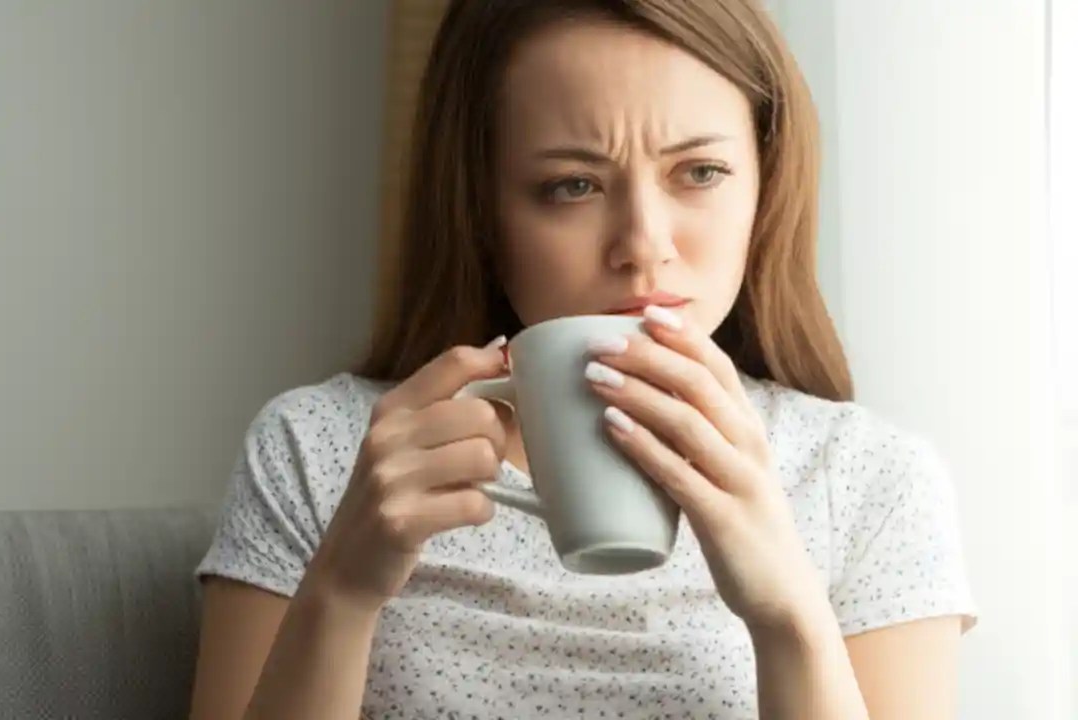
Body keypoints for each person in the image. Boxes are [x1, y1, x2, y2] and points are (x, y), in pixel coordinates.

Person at [188, 1, 978, 717]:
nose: (643, 247)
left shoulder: (870, 478)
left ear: (766, 191)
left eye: (699, 173)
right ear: (483, 213)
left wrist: (788, 616)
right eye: (572, 186)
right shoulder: (318, 451)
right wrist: (343, 592)